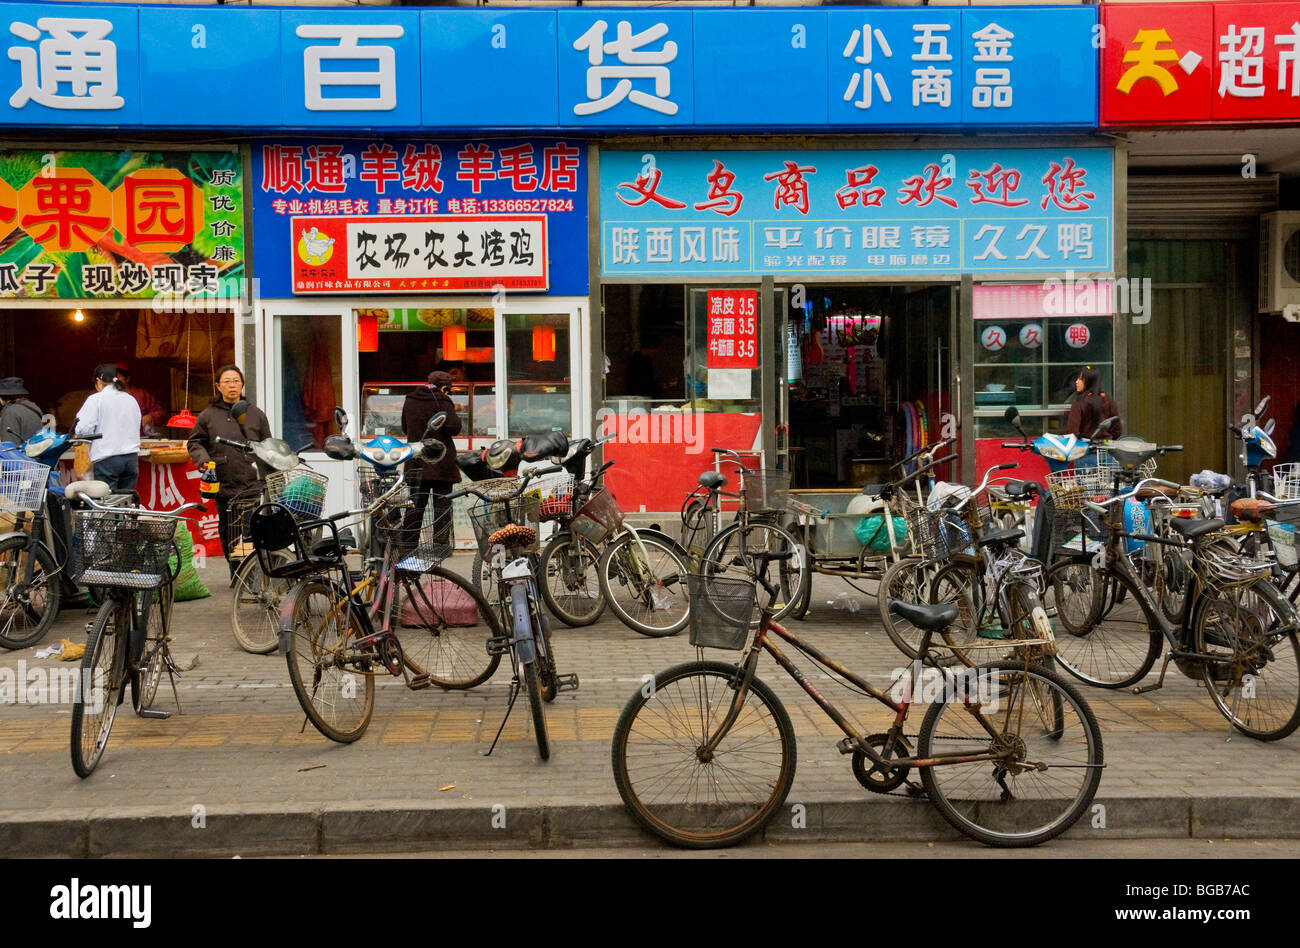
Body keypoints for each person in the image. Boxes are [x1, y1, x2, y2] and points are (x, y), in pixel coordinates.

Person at [187, 364, 273, 577]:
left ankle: (249, 575)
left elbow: (267, 445)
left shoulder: (256, 414)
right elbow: (195, 442)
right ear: (218, 386)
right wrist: (203, 460)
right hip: (224, 483)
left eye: (236, 381)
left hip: (252, 482)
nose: (232, 385)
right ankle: (237, 573)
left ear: (242, 384)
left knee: (249, 531)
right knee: (229, 533)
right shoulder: (208, 415)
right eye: (227, 381)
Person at [401, 370, 462, 545]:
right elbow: (454, 427)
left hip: (416, 459)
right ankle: (440, 545)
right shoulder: (442, 400)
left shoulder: (410, 400)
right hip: (441, 462)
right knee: (442, 505)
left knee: (415, 505)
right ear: (444, 387)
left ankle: (408, 543)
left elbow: (405, 428)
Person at [74, 365, 142, 491]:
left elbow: (83, 430)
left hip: (107, 459)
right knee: (127, 503)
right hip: (131, 459)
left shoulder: (96, 400)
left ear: (99, 381)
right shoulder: (131, 399)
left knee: (107, 503)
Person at [1066, 365, 1122, 440]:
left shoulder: (1079, 402)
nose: (1076, 382)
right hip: (1106, 446)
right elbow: (1117, 430)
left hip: (1085, 446)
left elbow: (1072, 432)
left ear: (1089, 381)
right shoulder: (1108, 399)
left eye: (1080, 379)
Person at [115, 364, 166, 437]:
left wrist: (151, 416)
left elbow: (162, 413)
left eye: (118, 376)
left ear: (127, 378)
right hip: (115, 441)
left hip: (140, 439)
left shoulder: (141, 395)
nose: (115, 380)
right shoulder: (108, 397)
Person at [0, 377, 42, 445]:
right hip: (37, 453)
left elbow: (9, 447)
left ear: (2, 398)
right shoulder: (34, 407)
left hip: (22, 454)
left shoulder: (10, 412)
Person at [626, 333, 662, 399]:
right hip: (640, 400)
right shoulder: (638, 363)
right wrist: (660, 387)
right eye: (656, 351)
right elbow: (644, 385)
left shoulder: (646, 361)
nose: (656, 354)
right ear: (650, 348)